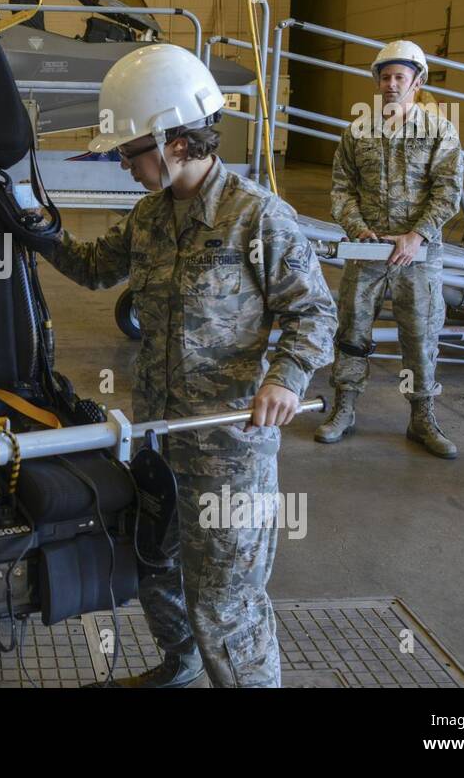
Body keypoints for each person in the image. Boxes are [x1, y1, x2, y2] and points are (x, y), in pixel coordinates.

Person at [34, 43, 336, 687]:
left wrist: (286, 378)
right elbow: (93, 270)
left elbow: (314, 312)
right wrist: (37, 231)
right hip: (159, 439)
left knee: (226, 605)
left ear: (174, 140)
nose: (123, 166)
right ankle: (182, 666)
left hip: (228, 448)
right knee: (156, 568)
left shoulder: (255, 217)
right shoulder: (148, 218)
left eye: (129, 152)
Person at [315, 39, 463, 459]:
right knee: (352, 333)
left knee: (420, 337)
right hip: (368, 253)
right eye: (385, 77)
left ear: (417, 81)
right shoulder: (358, 132)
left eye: (400, 76)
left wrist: (418, 235)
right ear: (377, 82)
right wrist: (358, 229)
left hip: (417, 257)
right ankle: (344, 409)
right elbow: (342, 188)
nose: (391, 84)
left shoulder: (439, 131)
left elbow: (448, 190)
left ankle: (422, 418)